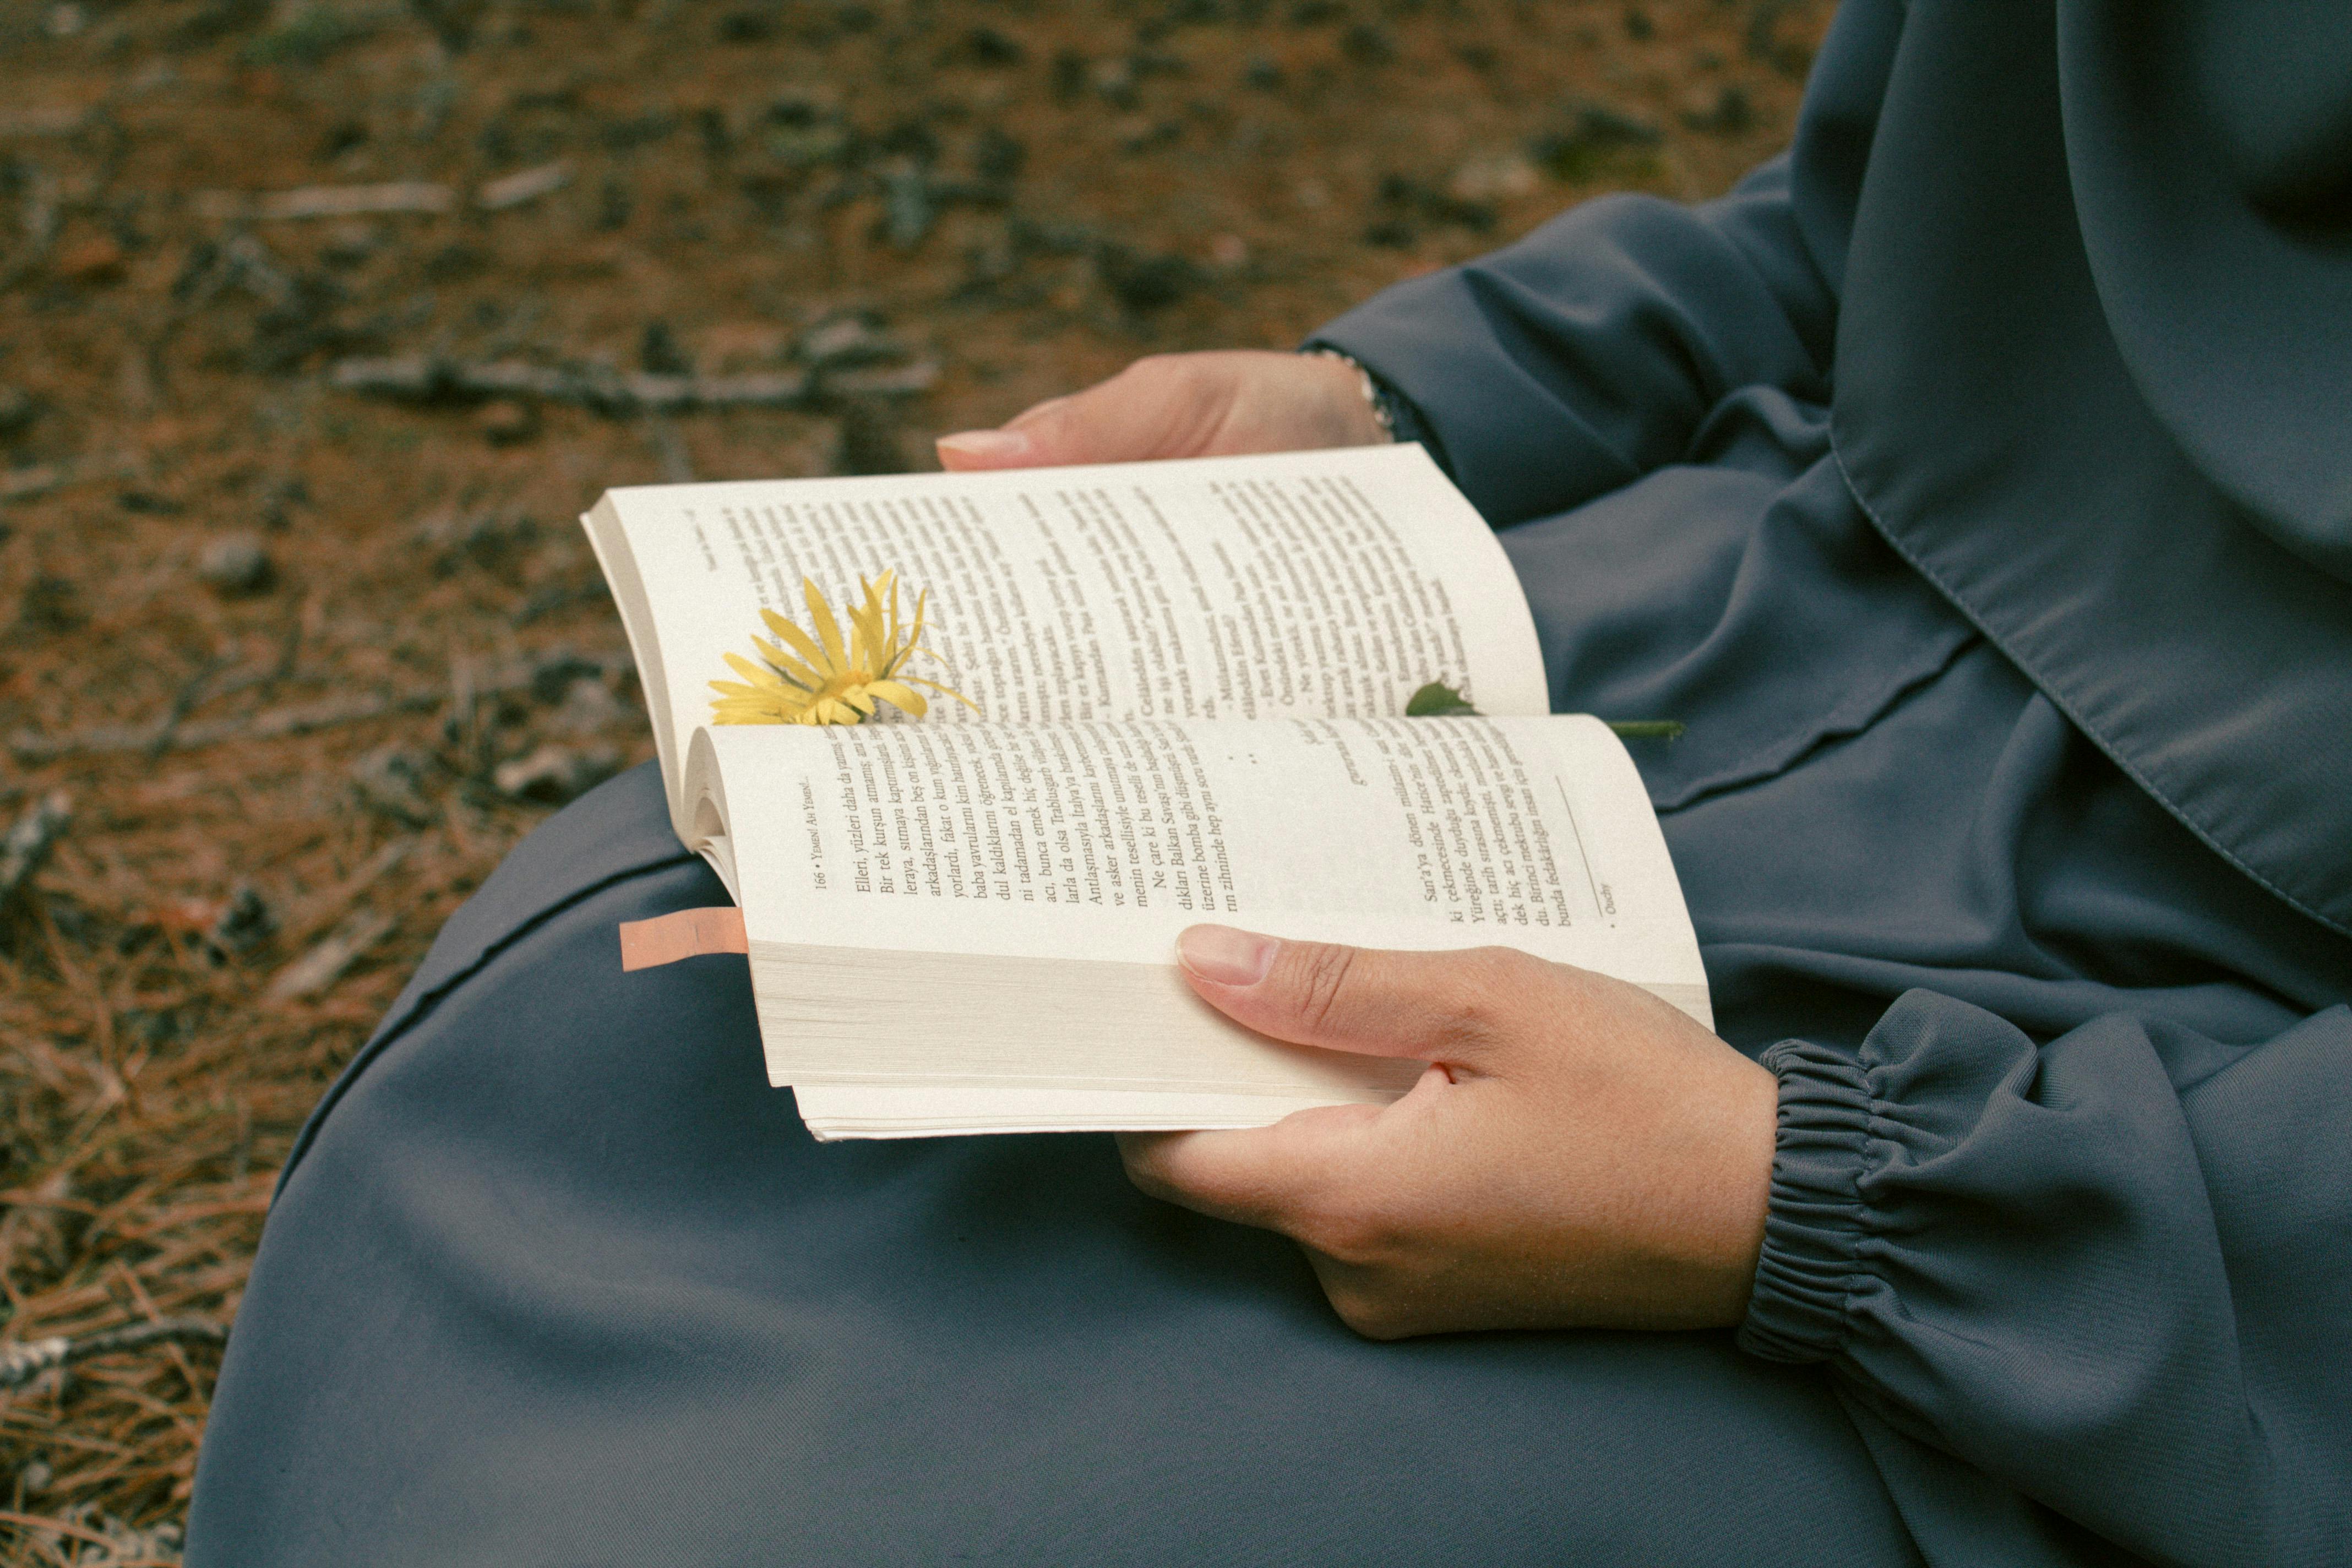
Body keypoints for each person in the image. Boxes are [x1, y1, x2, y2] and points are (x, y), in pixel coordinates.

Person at [187, 2, 2351, 1562]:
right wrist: (1405, 401)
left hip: (2205, 1128)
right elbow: (1902, 206)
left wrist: (1822, 1208)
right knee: (615, 1032)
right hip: (1755, 595)